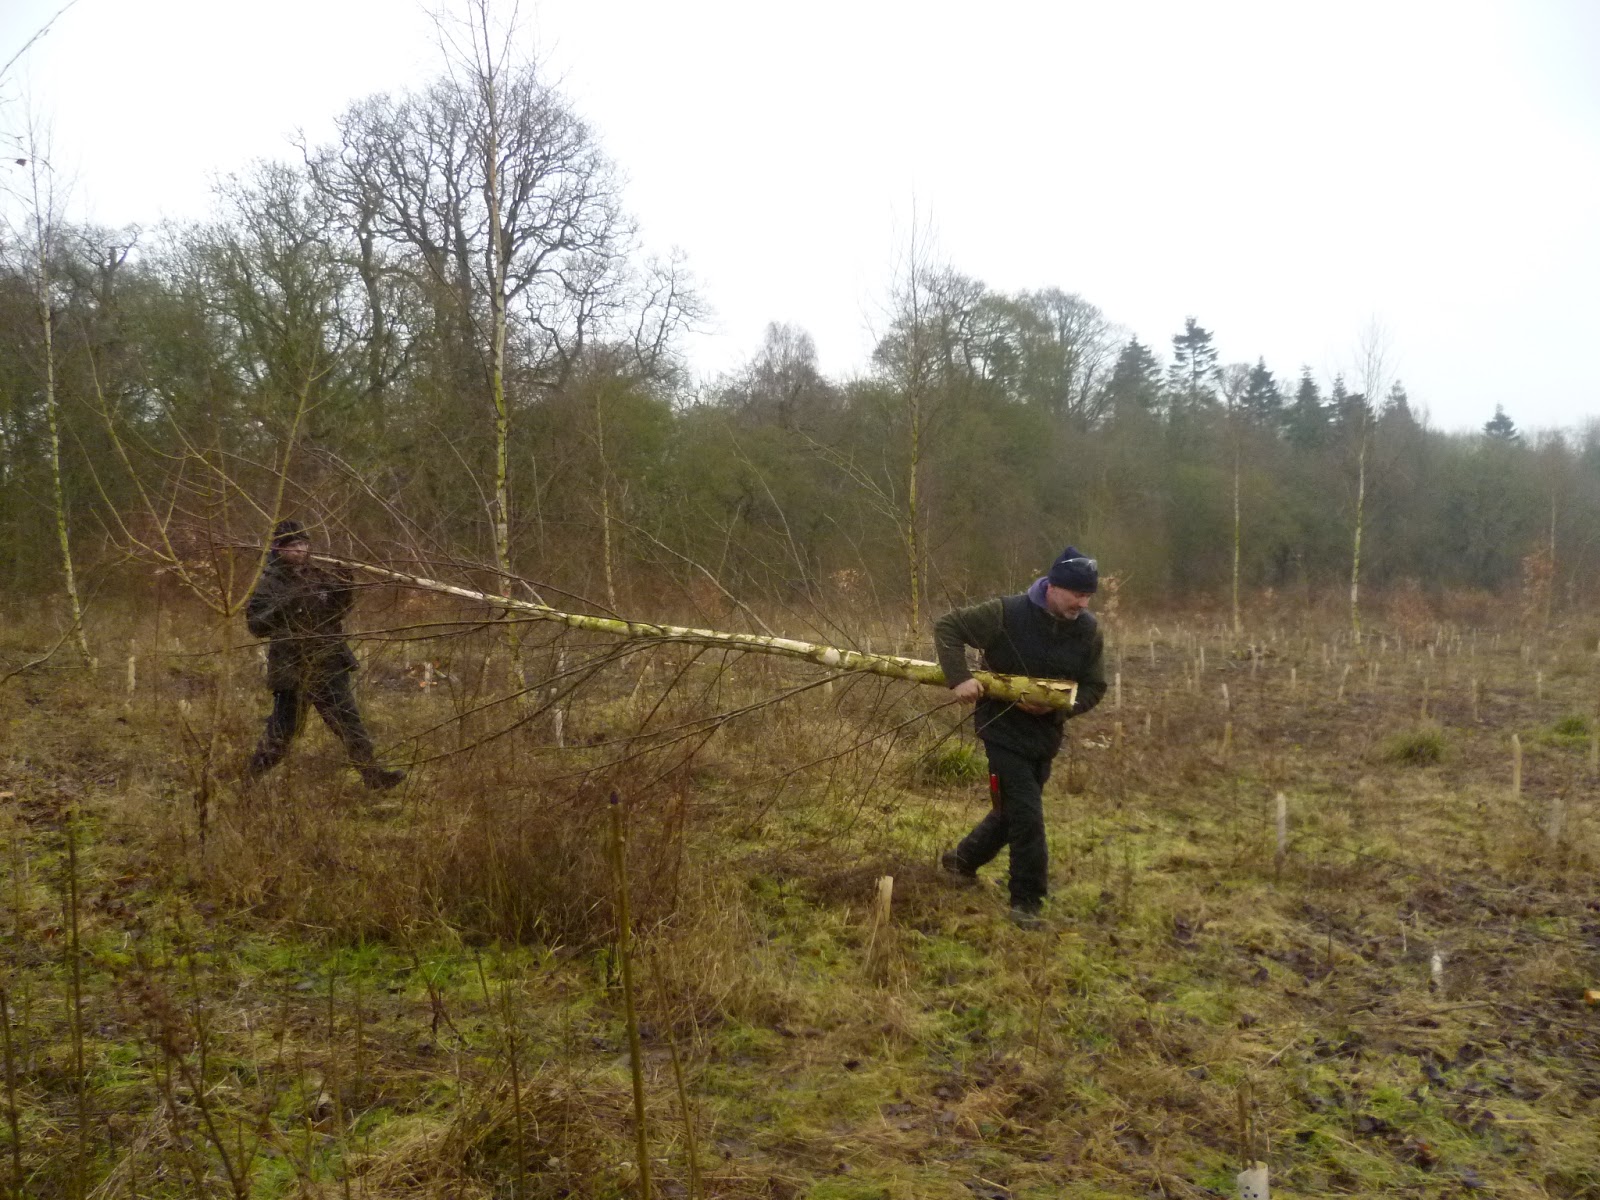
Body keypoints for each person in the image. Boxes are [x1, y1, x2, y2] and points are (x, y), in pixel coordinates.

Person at [933, 546, 1107, 928]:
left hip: (1045, 737)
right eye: (1076, 593)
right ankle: (1027, 903)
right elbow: (948, 627)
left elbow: (1095, 686)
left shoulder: (1088, 632)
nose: (1082, 602)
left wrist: (1061, 708)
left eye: (1088, 595)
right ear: (1052, 586)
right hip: (1001, 728)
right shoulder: (1005, 613)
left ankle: (962, 860)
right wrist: (959, 678)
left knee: (1011, 810)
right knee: (1028, 815)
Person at [243, 520, 405, 790]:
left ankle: (372, 775)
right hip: (292, 668)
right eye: (293, 546)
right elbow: (256, 626)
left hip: (329, 661)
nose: (300, 550)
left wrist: (344, 585)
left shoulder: (317, 575)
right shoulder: (268, 584)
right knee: (283, 732)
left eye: (304, 544)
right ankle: (248, 782)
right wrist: (285, 605)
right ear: (278, 549)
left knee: (349, 722)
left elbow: (336, 613)